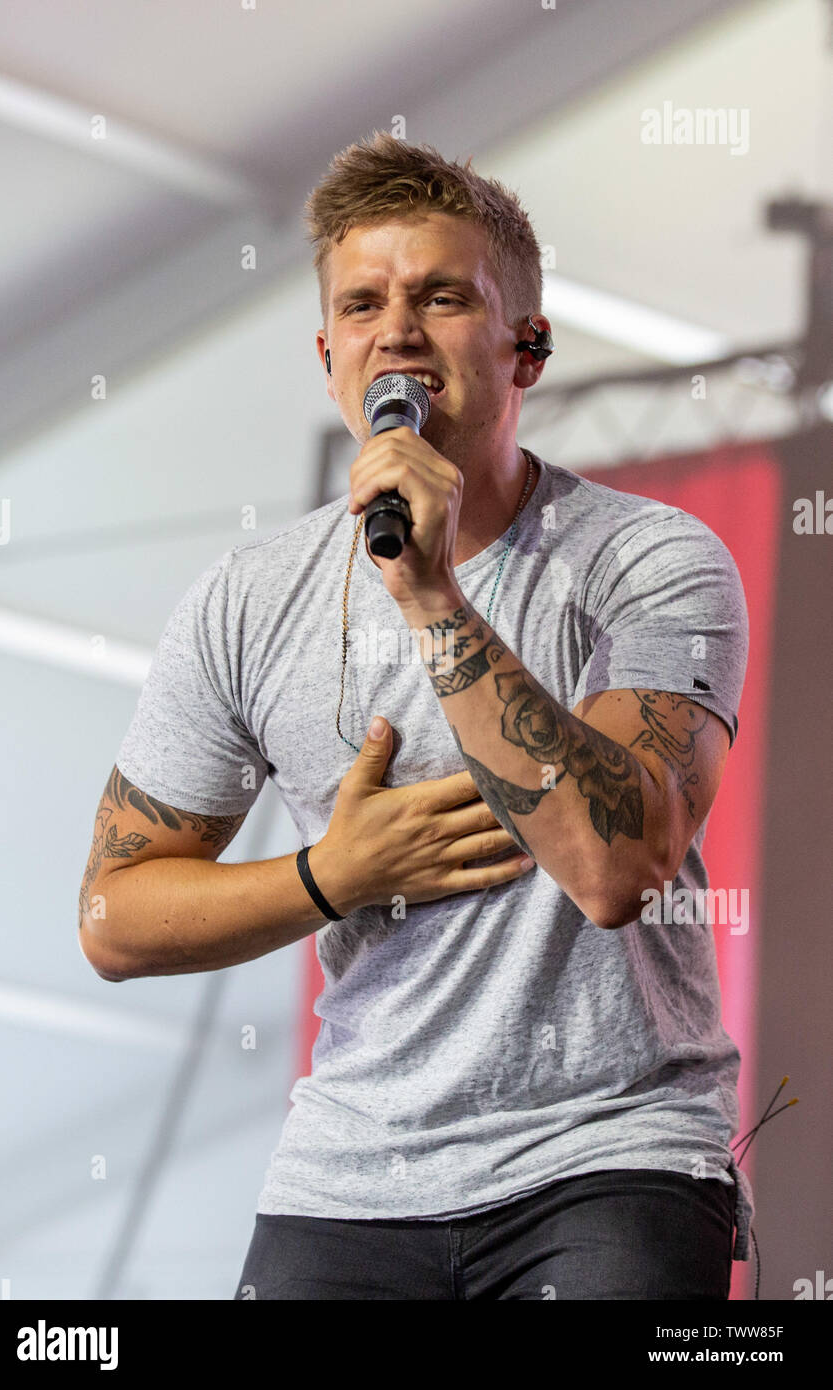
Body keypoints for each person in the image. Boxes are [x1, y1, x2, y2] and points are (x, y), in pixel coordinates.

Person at [78, 132, 753, 1300]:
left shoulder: (648, 559)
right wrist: (325, 876)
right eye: (363, 302)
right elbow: (113, 915)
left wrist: (432, 595)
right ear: (329, 351)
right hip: (347, 1175)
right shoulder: (246, 603)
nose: (397, 327)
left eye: (441, 296)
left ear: (523, 347)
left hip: (606, 1156)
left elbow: (615, 866)